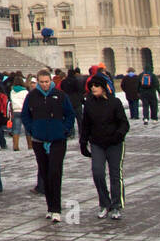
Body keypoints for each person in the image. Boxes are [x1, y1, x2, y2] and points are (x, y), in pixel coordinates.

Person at [21, 67, 77, 223]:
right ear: (37, 82)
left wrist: (65, 129)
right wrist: (32, 129)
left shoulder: (60, 95)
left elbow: (70, 114)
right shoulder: (32, 96)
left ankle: (56, 208)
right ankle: (50, 207)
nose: (45, 85)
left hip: (57, 139)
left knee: (55, 172)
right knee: (45, 173)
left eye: (47, 82)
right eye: (42, 82)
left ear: (51, 81)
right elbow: (25, 115)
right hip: (39, 139)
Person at [79, 75, 130, 220]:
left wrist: (118, 135)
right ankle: (104, 202)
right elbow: (86, 125)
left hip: (115, 143)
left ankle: (116, 205)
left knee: (115, 175)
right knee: (98, 172)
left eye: (96, 85)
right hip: (97, 143)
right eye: (91, 86)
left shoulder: (115, 102)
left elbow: (124, 123)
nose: (93, 88)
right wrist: (83, 143)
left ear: (103, 87)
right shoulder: (89, 104)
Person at [9, 74, 31, 152]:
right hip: (24, 111)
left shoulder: (12, 91)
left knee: (16, 129)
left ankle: (15, 146)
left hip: (16, 110)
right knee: (27, 129)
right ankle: (30, 145)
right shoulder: (25, 91)